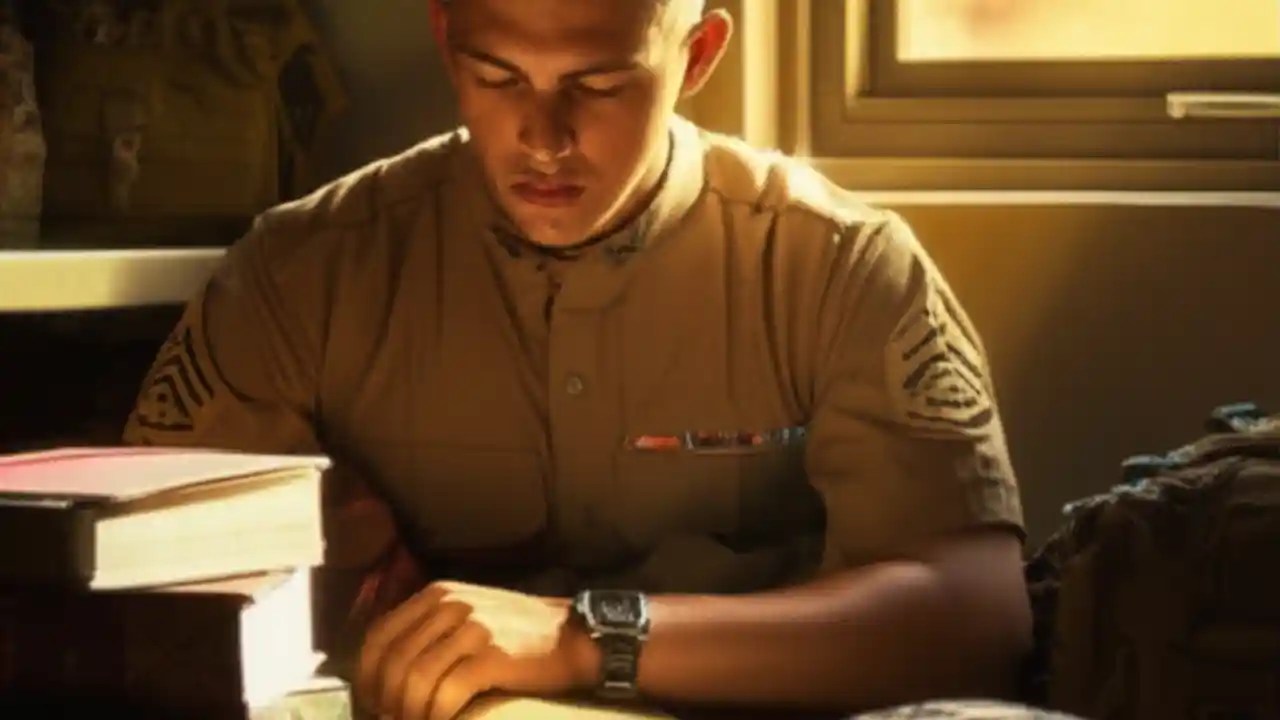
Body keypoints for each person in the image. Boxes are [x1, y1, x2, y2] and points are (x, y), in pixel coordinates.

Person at [123, 1, 1034, 718]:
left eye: (599, 85)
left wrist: (588, 639)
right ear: (445, 38)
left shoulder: (838, 267)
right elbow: (151, 594)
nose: (544, 137)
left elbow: (975, 616)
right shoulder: (296, 277)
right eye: (498, 76)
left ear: (699, 55)